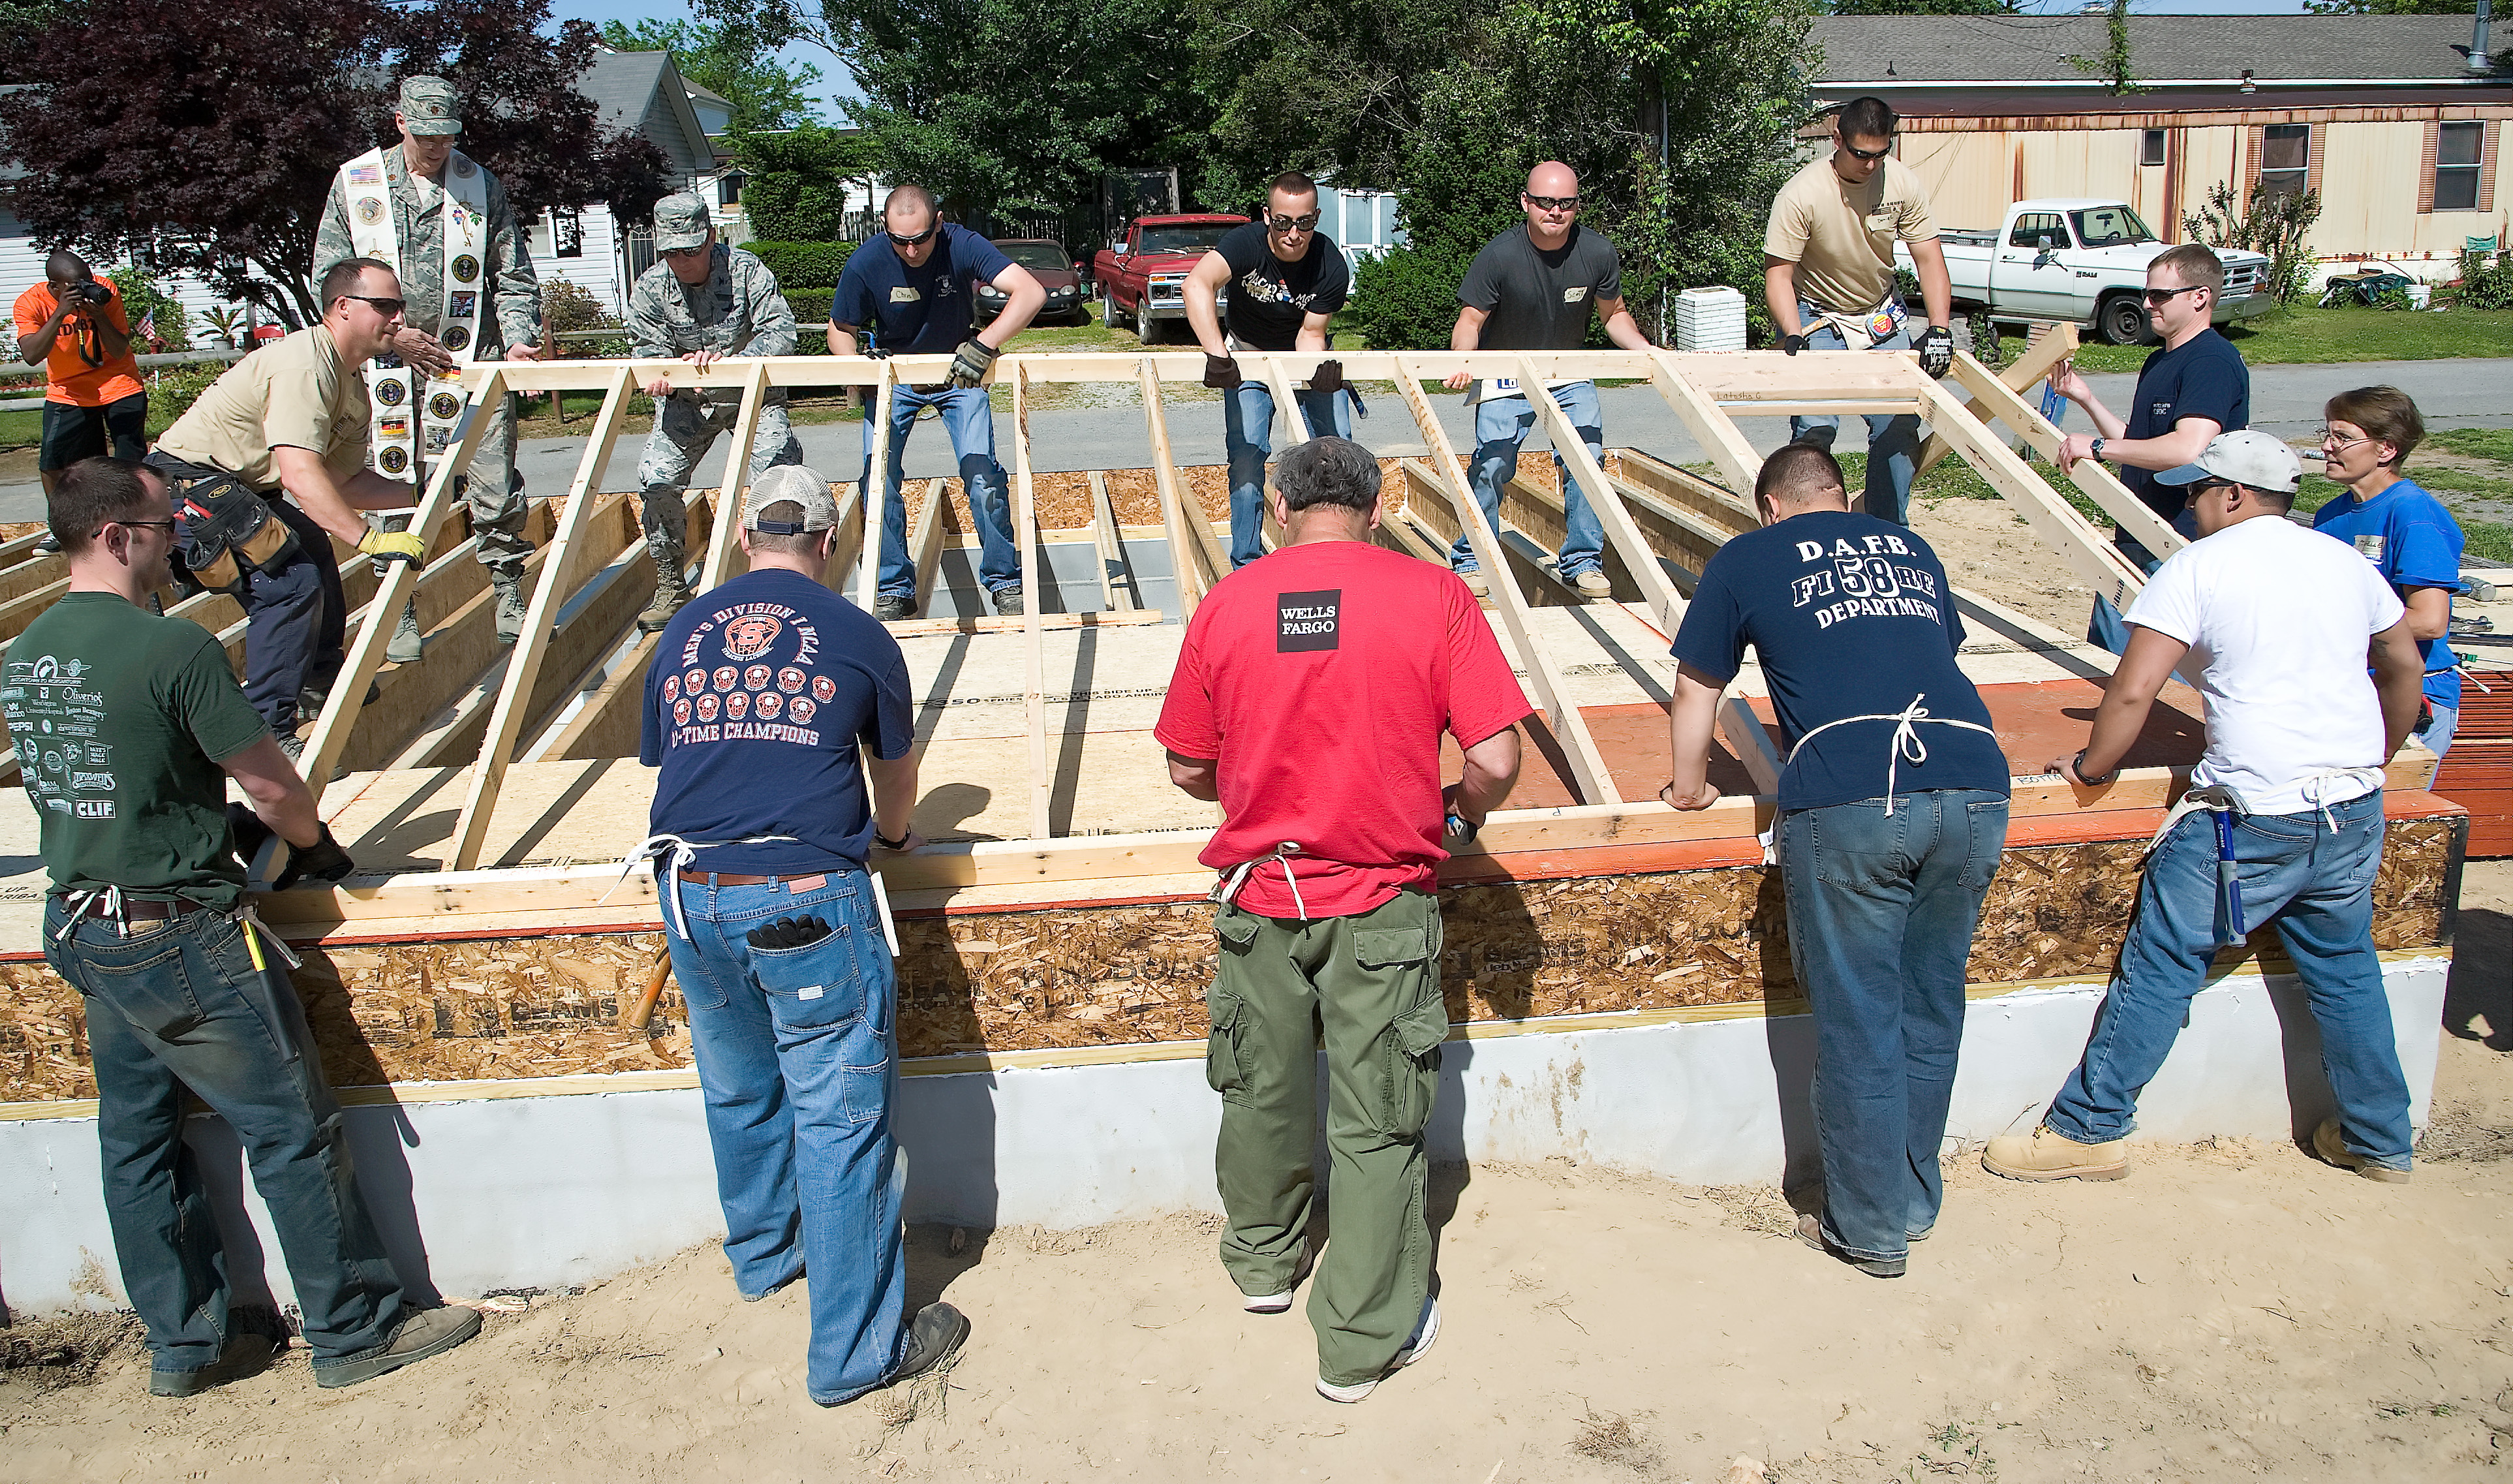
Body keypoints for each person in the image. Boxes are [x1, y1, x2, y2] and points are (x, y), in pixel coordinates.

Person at [7, 457, 480, 1395]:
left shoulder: (28, 653)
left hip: (87, 925)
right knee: (290, 1128)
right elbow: (270, 787)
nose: (180, 543)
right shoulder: (170, 649)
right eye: (162, 527)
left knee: (137, 1143)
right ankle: (356, 1328)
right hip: (177, 931)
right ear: (115, 537)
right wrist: (312, 844)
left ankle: (191, 1345)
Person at [1155, 435, 1531, 1402]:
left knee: (1260, 1090)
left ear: (1278, 506)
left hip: (1259, 901)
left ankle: (1263, 1264)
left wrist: (1262, 784)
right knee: (1376, 1123)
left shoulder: (1228, 603)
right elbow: (1495, 758)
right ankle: (1360, 1341)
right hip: (1381, 908)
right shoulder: (1432, 595)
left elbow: (1187, 765)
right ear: (1376, 505)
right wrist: (1456, 818)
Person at [1984, 431, 2428, 1185]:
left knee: (2162, 963)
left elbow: (2133, 689)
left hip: (2251, 811)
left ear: (2232, 494)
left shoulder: (2199, 566)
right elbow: (2402, 663)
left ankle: (2087, 1130)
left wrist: (2090, 767)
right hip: (2348, 805)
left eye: (2195, 492)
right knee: (2346, 972)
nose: (2188, 506)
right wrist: (2377, 753)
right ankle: (2379, 1139)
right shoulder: (2341, 562)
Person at [638, 463, 967, 1405]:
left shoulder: (684, 630)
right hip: (804, 896)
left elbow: (668, 758)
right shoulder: (856, 634)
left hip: (690, 890)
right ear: (829, 543)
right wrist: (893, 839)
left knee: (740, 1086)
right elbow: (893, 776)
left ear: (746, 537)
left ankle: (765, 1257)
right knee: (840, 1118)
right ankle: (855, 1355)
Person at [1661, 442, 2011, 1278]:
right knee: (1929, 1007)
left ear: (1769, 506)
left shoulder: (1747, 556)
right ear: (1842, 497)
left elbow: (1695, 689)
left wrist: (1687, 787)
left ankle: (1867, 1230)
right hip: (1974, 781)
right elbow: (1926, 656)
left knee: (1860, 1019)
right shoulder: (1908, 546)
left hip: (1855, 795)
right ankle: (1912, 1202)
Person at [149, 258, 430, 760]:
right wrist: (368, 539)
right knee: (289, 583)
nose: (398, 319)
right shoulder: (306, 365)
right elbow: (300, 475)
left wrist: (421, 491)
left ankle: (319, 676)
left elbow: (341, 483)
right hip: (190, 483)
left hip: (240, 488)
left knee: (313, 548)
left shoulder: (350, 386)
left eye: (400, 306)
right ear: (343, 308)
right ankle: (267, 732)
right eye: (385, 306)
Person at [313, 74, 546, 662]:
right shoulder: (356, 184)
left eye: (447, 134)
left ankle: (507, 590)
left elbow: (514, 275)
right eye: (426, 135)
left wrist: (519, 341)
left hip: (470, 358)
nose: (439, 146)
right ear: (400, 124)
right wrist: (393, 336)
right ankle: (398, 603)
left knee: (495, 482)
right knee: (391, 484)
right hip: (383, 367)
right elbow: (331, 283)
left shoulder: (479, 186)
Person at [1440, 161, 1657, 598]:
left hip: (1567, 372)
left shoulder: (1596, 252)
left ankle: (1583, 561)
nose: (1554, 211)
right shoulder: (1500, 256)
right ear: (1526, 202)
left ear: (1576, 206)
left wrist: (1646, 352)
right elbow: (1471, 319)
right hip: (1505, 374)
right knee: (1493, 464)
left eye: (1565, 203)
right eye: (1544, 202)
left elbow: (1614, 315)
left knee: (1586, 461)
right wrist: (1463, 358)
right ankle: (1473, 558)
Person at [829, 184, 1044, 620]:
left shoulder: (961, 244)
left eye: (921, 239)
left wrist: (984, 344)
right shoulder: (867, 261)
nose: (911, 251)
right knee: (879, 479)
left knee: (982, 477)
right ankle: (892, 588)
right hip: (896, 377)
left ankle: (1005, 582)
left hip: (958, 371)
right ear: (885, 230)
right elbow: (840, 327)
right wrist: (856, 368)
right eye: (900, 241)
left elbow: (1031, 293)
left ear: (939, 224)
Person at [1763, 95, 1957, 525]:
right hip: (1818, 315)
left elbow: (1929, 259)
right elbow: (1778, 274)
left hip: (1879, 314)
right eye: (1860, 154)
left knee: (1897, 425)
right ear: (1838, 140)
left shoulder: (1901, 184)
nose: (1870, 165)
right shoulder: (1802, 194)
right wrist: (1792, 332)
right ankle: (1807, 528)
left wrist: (1940, 329)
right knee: (1815, 429)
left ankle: (1887, 530)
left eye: (1880, 154)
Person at [2050, 243, 2248, 654]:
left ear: (2200, 297)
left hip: (2176, 539)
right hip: (2136, 528)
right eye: (2147, 293)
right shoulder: (2159, 361)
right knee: (2107, 662)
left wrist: (2098, 448)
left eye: (2160, 295)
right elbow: (2141, 444)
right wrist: (2086, 399)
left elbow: (2189, 449)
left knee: (2160, 670)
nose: (2146, 304)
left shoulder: (2211, 361)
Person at [627, 193, 807, 635]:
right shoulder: (651, 287)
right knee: (656, 476)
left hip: (751, 395)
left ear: (710, 238)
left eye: (691, 250)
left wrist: (731, 362)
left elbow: (782, 332)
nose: (682, 261)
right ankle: (671, 585)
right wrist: (666, 373)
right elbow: (646, 352)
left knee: (778, 476)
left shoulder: (746, 271)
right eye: (672, 253)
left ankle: (783, 582)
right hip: (687, 404)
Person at [1184, 170, 1353, 568]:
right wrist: (1217, 354)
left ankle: (1332, 554)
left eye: (1304, 223)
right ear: (1267, 217)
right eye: (1283, 222)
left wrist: (1315, 371)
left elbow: (1311, 333)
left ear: (1316, 218)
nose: (1293, 234)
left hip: (1301, 354)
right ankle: (1247, 562)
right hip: (1247, 355)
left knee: (1335, 453)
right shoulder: (1245, 244)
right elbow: (1197, 285)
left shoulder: (1330, 264)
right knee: (1247, 456)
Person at [2309, 387, 2465, 760]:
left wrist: (2330, 627)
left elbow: (2429, 622)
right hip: (2346, 690)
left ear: (2386, 449)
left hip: (2410, 695)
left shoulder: (2414, 514)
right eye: (2326, 434)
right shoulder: (2329, 516)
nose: (2327, 447)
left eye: (2342, 438)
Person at [13, 250, 147, 501]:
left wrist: (100, 315)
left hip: (118, 381)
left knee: (131, 460)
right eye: (78, 286)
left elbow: (119, 349)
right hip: (69, 389)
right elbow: (31, 355)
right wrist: (60, 313)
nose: (87, 288)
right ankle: (61, 519)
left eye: (89, 281)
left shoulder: (105, 291)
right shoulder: (31, 302)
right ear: (55, 287)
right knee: (54, 462)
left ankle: (134, 513)